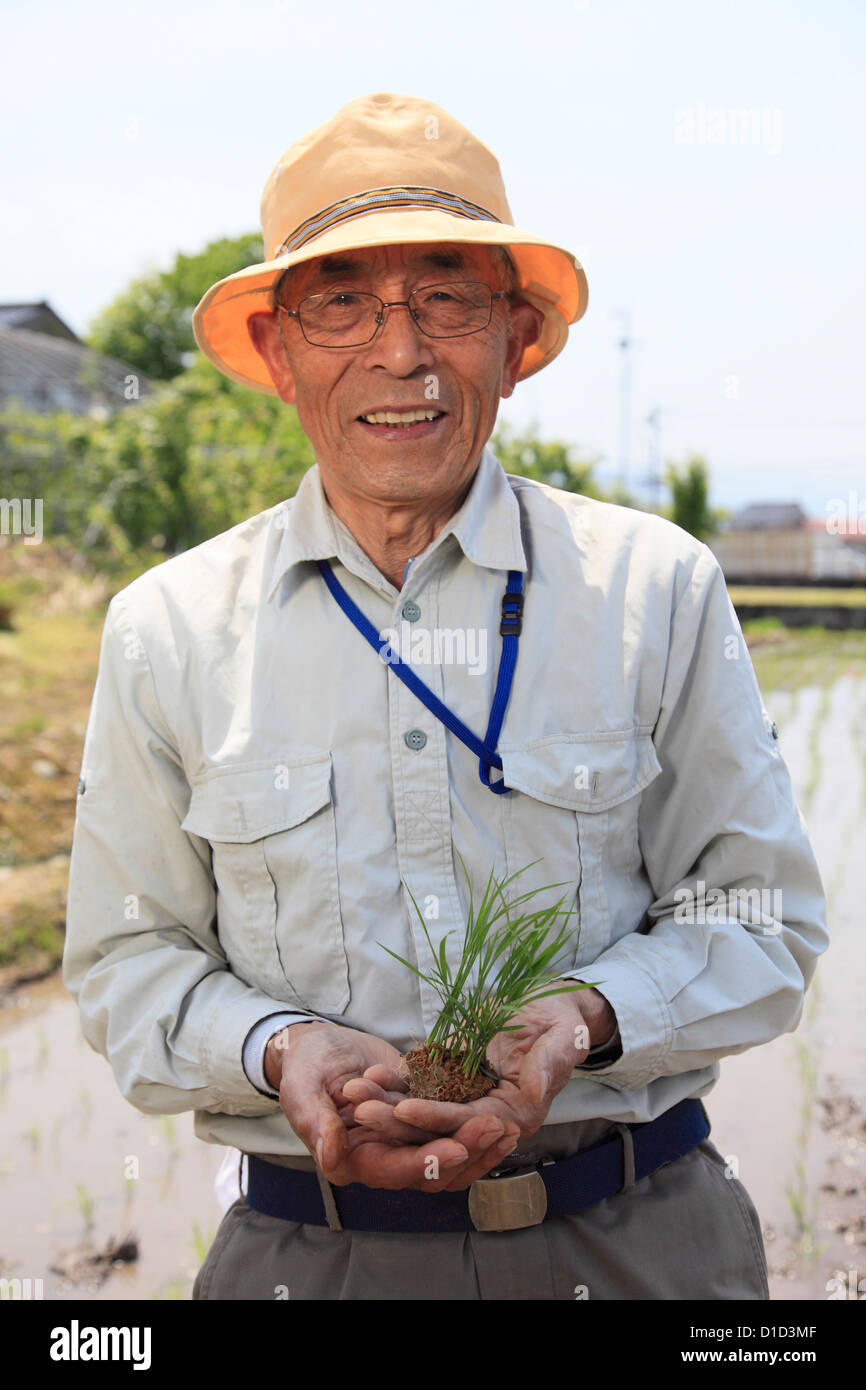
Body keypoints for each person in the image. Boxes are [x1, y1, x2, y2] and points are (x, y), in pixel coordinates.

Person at [63, 91, 828, 1301]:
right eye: (343, 303)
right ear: (276, 351)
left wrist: (582, 1018)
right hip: (306, 1260)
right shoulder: (167, 630)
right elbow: (125, 958)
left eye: (445, 298)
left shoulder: (653, 587)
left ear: (514, 337)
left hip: (632, 1244)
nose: (401, 351)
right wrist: (277, 1048)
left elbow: (759, 915)